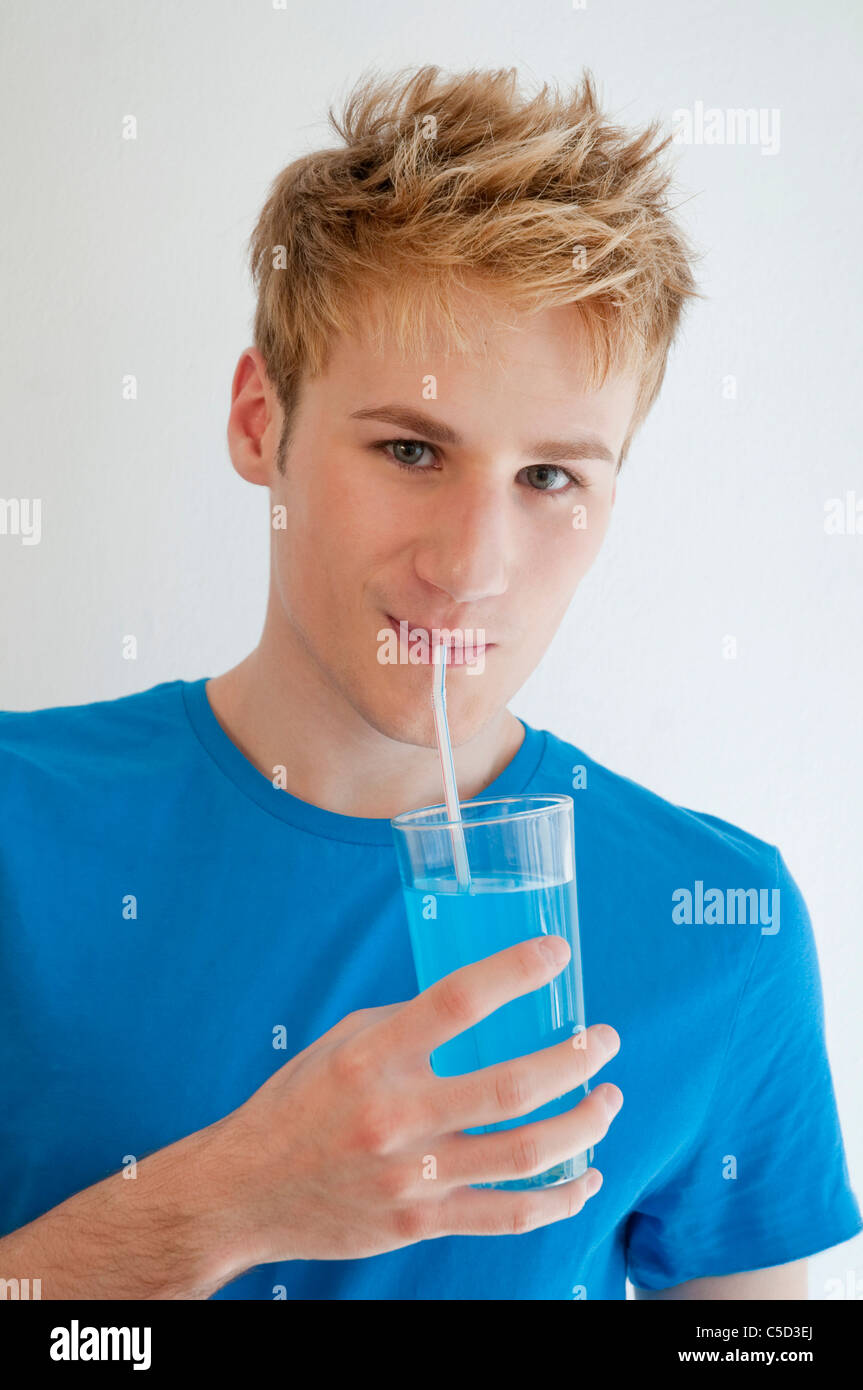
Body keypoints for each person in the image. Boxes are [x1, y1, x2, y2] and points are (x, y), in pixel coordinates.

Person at [0, 64, 859, 1302]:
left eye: (550, 477)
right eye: (410, 448)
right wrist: (226, 1202)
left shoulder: (720, 922)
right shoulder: (21, 828)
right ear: (260, 422)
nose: (469, 566)